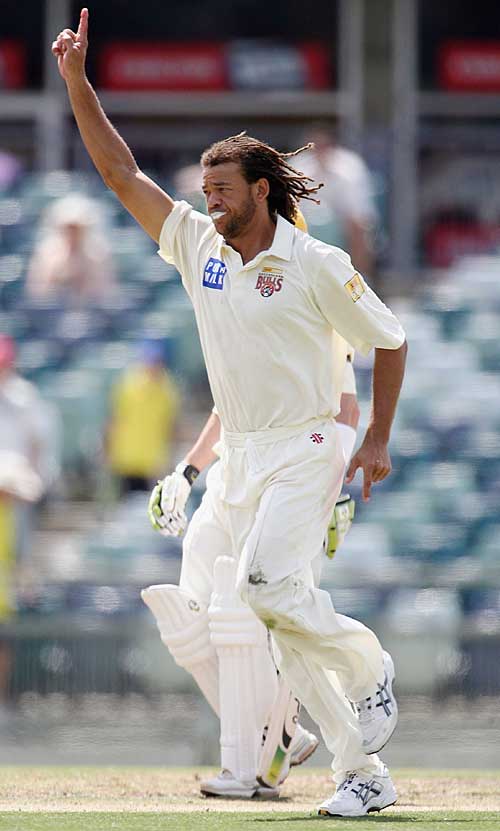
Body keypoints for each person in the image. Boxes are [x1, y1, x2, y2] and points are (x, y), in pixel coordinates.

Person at [52, 10, 407, 817]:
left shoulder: (314, 262)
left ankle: (367, 666)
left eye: (221, 189)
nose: (208, 200)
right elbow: (120, 174)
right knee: (263, 614)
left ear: (260, 189)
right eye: (204, 189)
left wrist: (376, 438)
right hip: (241, 455)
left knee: (267, 588)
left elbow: (390, 339)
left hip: (307, 445)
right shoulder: (199, 247)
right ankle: (361, 772)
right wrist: (78, 85)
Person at [145, 333, 359, 799]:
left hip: (287, 478)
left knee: (251, 613)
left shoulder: (311, 308)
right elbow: (228, 406)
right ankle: (275, 731)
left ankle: (267, 755)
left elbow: (346, 408)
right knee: (187, 614)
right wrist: (187, 471)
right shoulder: (230, 306)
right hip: (230, 475)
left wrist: (333, 485)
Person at [298, 124, 377, 280]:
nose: (320, 150)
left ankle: (360, 278)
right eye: (316, 146)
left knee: (357, 226)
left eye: (324, 145)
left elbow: (359, 212)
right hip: (307, 224)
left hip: (342, 225)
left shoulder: (350, 166)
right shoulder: (298, 166)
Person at [105, 340, 181, 495]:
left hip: (153, 462)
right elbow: (115, 418)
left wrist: (169, 457)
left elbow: (170, 426)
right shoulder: (128, 384)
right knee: (128, 503)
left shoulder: (167, 389)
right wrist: (109, 449)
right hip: (127, 459)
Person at [25, 193, 117, 307]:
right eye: (68, 228)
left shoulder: (98, 254)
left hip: (90, 311)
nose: (72, 233)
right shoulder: (47, 253)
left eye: (77, 228)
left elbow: (105, 292)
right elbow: (38, 292)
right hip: (54, 311)